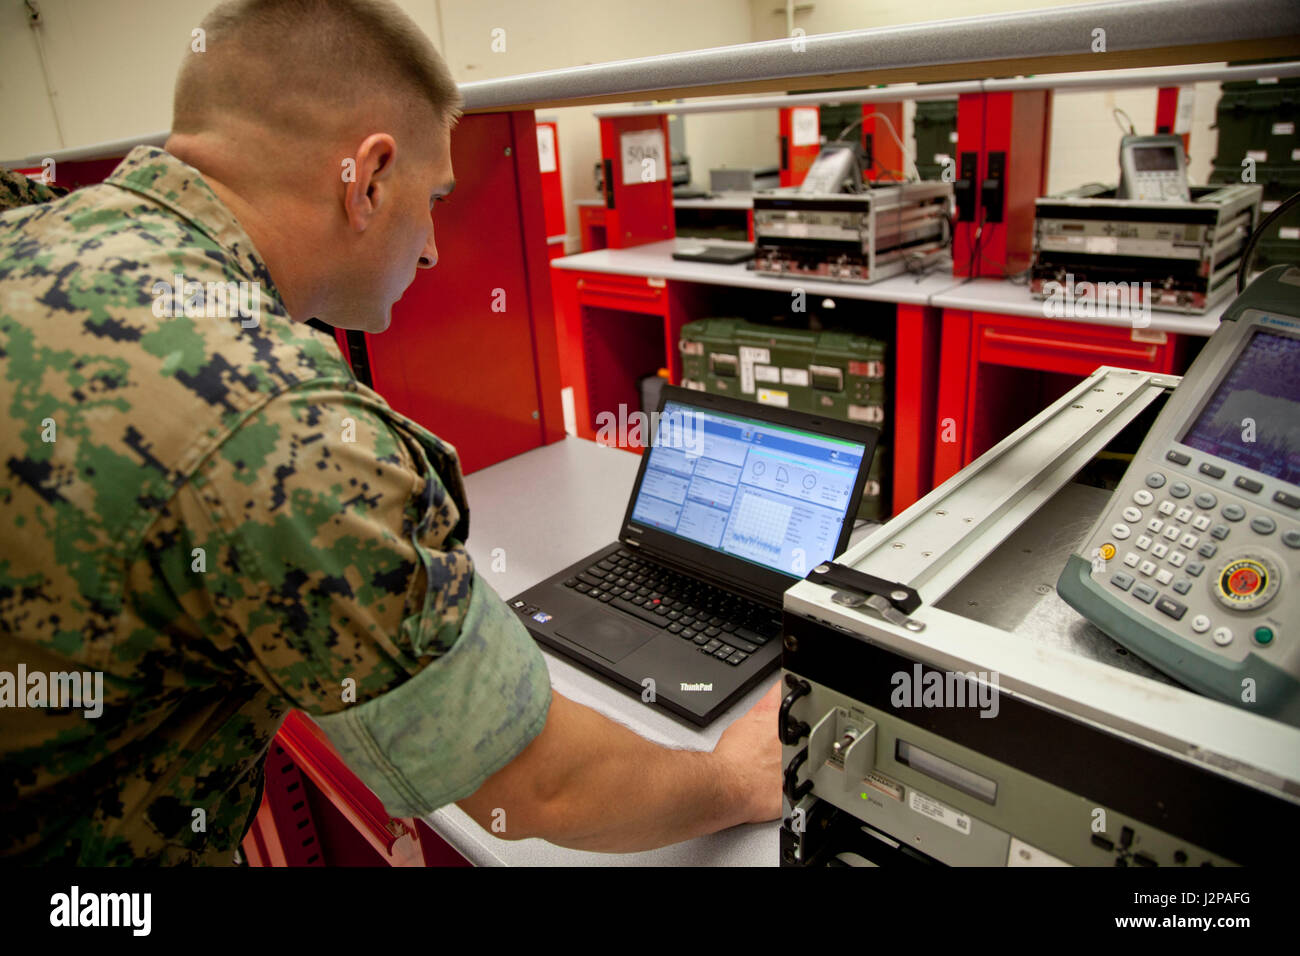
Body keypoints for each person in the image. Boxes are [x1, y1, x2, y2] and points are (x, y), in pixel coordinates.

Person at [0, 0, 782, 865]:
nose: (437, 250)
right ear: (367, 177)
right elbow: (540, 787)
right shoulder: (279, 422)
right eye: (434, 198)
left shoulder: (29, 227)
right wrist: (738, 778)